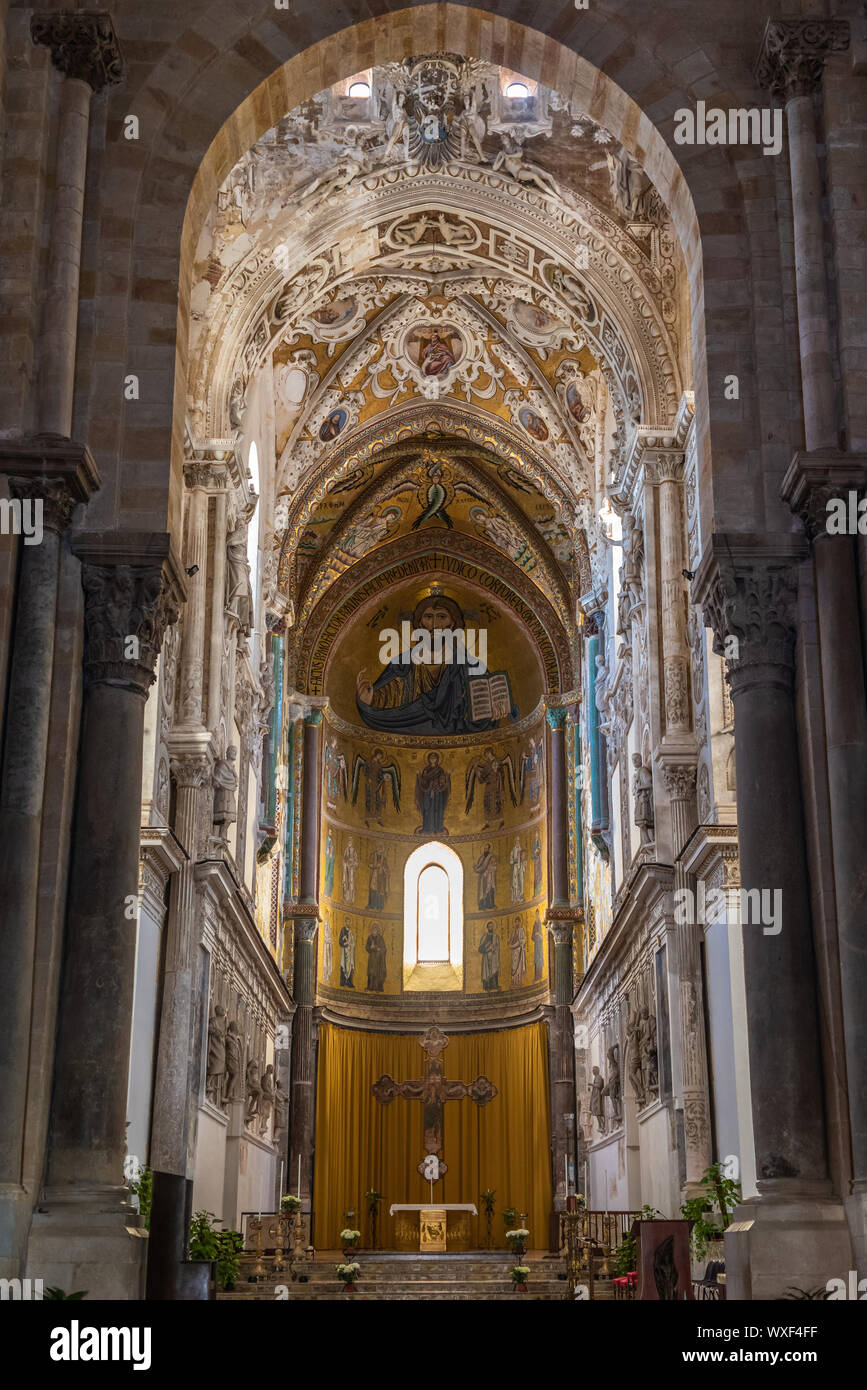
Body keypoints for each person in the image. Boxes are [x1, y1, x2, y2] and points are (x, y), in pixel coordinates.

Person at [414, 752, 451, 834]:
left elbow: (443, 782)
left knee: (437, 809)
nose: (433, 760)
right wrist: (419, 775)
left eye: (434, 758)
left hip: (438, 793)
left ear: (437, 759)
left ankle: (438, 828)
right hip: (428, 793)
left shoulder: (440, 770)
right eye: (431, 758)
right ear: (428, 759)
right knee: (427, 810)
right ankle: (427, 828)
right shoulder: (426, 770)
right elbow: (423, 782)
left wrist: (447, 775)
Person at [474, 843, 497, 910]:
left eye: (486, 848)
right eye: (484, 848)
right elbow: (479, 865)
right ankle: (482, 906)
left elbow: (494, 866)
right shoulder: (482, 857)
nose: (485, 850)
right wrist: (476, 868)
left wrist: (489, 869)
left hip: (490, 877)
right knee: (482, 892)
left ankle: (490, 905)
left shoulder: (491, 857)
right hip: (483, 878)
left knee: (489, 890)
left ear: (489, 849)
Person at [365, 922, 387, 992]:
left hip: (378, 959)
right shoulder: (370, 938)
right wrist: (370, 947)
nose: (374, 931)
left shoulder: (380, 938)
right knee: (371, 973)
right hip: (372, 959)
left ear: (377, 930)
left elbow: (384, 949)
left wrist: (379, 949)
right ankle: (370, 987)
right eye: (373, 929)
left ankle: (378, 988)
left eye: (375, 929)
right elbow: (367, 947)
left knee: (377, 973)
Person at [478, 921, 500, 991]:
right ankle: (487, 986)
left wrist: (494, 949)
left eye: (492, 926)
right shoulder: (484, 937)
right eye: (490, 926)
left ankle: (495, 986)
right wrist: (487, 948)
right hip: (486, 958)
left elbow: (497, 947)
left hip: (494, 957)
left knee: (494, 970)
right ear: (487, 928)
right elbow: (480, 949)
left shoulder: (495, 936)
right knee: (487, 972)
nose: (491, 928)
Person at [509, 916, 526, 989]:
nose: (517, 923)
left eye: (518, 922)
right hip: (514, 951)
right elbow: (511, 940)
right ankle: (514, 982)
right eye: (515, 922)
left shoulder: (521, 930)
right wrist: (510, 944)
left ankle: (519, 982)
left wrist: (515, 945)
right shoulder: (513, 931)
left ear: (520, 922)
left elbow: (522, 940)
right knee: (513, 966)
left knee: (518, 967)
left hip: (519, 951)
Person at [339, 920, 356, 988]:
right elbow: (340, 941)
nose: (348, 923)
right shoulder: (343, 930)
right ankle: (343, 982)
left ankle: (349, 982)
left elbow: (353, 943)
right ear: (345, 922)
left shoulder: (350, 932)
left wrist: (351, 945)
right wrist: (344, 941)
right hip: (344, 951)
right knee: (343, 966)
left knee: (350, 966)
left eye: (349, 922)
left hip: (350, 952)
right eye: (347, 922)